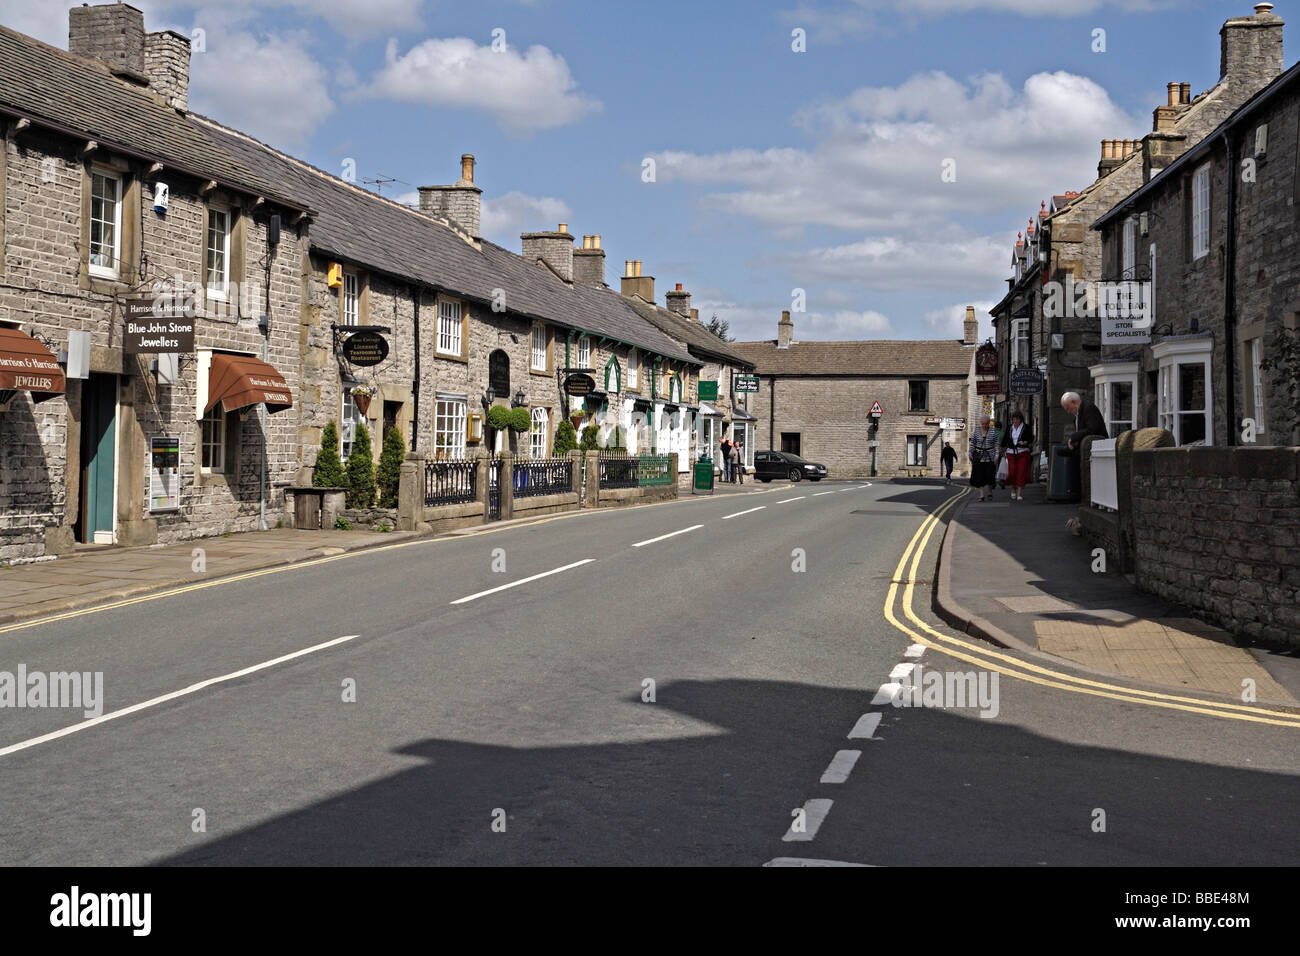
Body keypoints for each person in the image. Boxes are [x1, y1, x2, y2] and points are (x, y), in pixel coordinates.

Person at [1000, 409, 1033, 501]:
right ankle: (1013, 489)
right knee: (1012, 472)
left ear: (1021, 419)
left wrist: (1024, 442)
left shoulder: (1026, 427)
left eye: (1017, 419)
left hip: (1022, 452)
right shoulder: (1009, 427)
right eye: (1014, 419)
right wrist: (1002, 449)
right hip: (1011, 452)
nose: (1015, 421)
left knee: (1021, 472)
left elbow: (1031, 439)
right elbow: (1005, 439)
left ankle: (1019, 493)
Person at [968, 414, 1000, 501]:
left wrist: (997, 456)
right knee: (979, 476)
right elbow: (972, 443)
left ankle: (990, 492)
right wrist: (970, 452)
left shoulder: (994, 432)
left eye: (986, 424)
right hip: (979, 456)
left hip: (990, 457)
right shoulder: (977, 431)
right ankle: (981, 495)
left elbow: (997, 445)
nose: (984, 425)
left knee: (990, 475)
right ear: (980, 423)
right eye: (982, 424)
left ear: (989, 423)